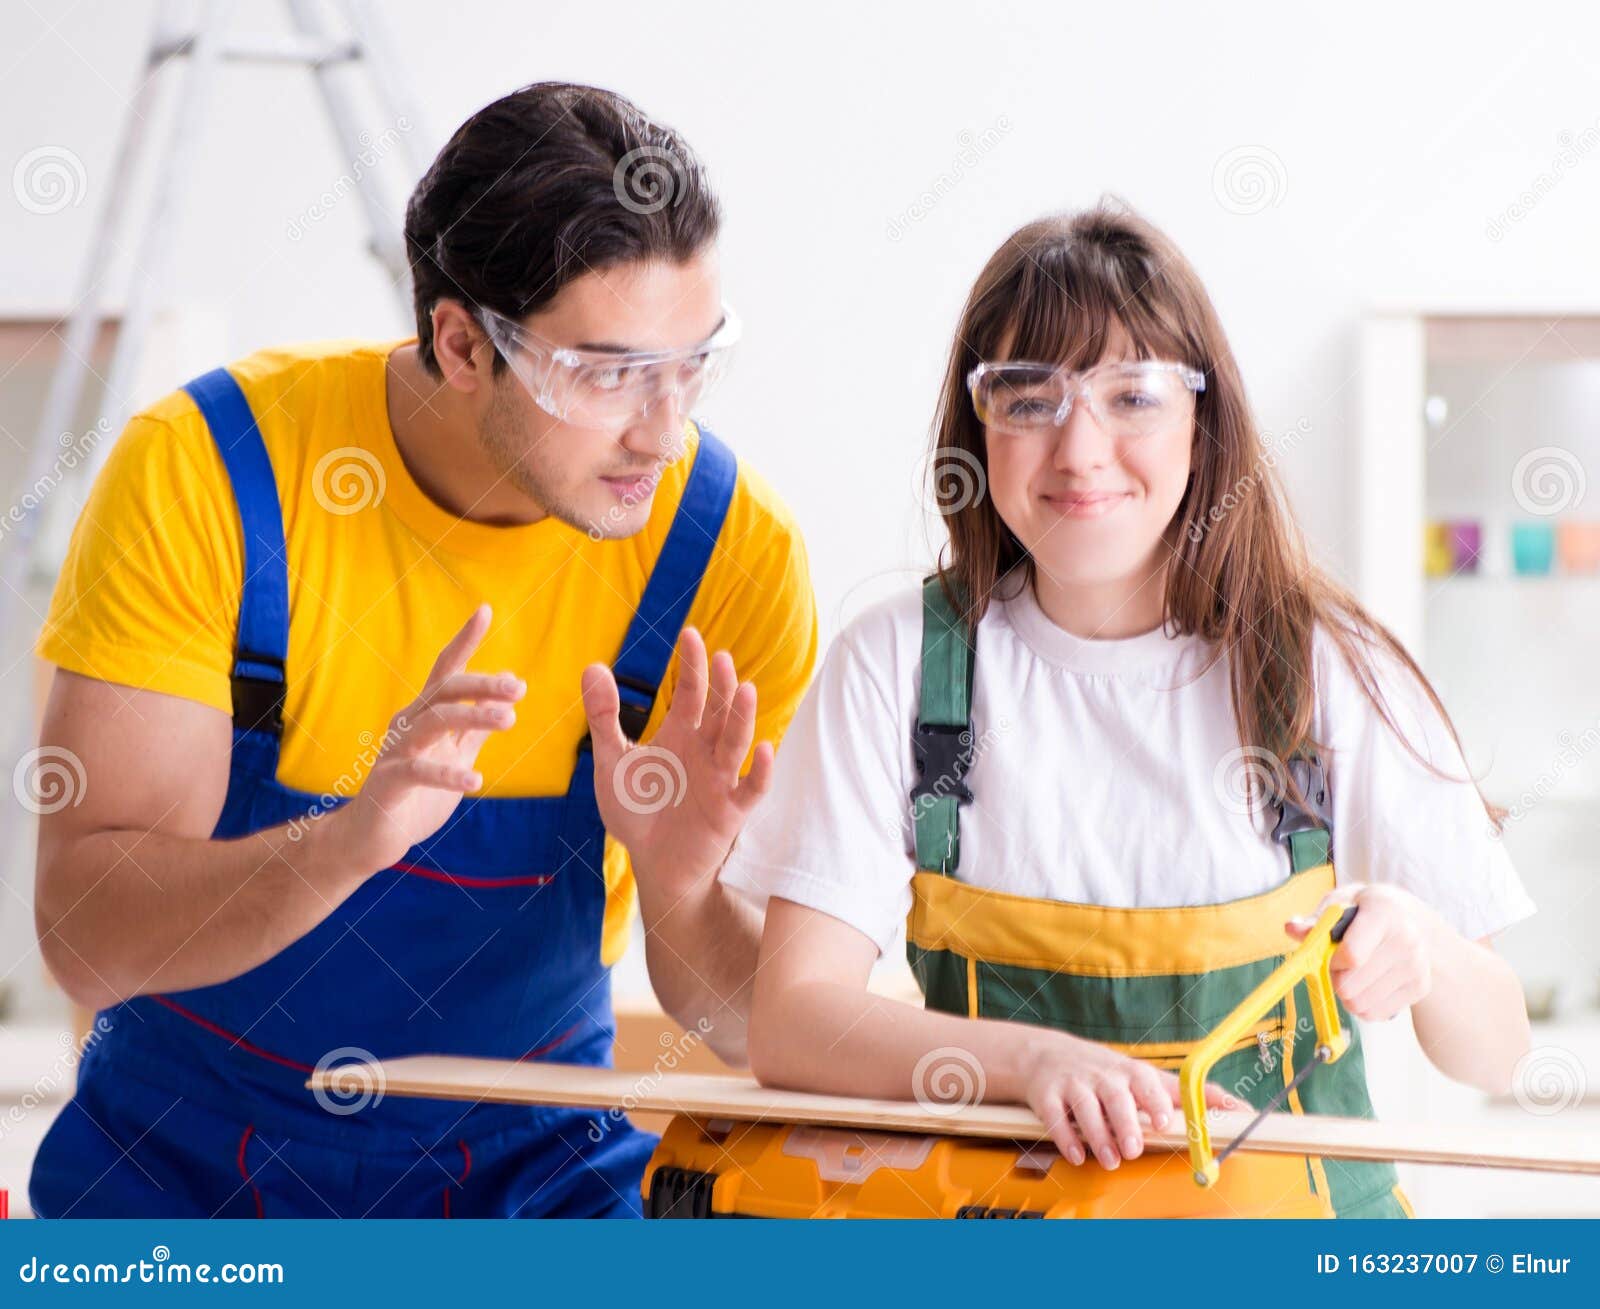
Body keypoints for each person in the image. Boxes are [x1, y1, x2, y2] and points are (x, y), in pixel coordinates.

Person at [28, 81, 816, 1219]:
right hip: (179, 1179)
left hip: (529, 1187)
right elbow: (85, 943)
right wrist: (343, 845)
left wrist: (684, 888)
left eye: (691, 363)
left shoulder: (726, 558)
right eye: (605, 372)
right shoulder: (211, 475)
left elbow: (752, 1023)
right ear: (459, 341)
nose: (661, 428)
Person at [712, 204, 1535, 1218]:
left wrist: (1425, 944)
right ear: (977, 427)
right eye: (1027, 398)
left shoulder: (1325, 667)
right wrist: (1030, 1060)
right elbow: (792, 1024)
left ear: (1205, 420)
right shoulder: (896, 666)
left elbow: (1496, 1050)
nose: (1079, 450)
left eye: (1131, 397)